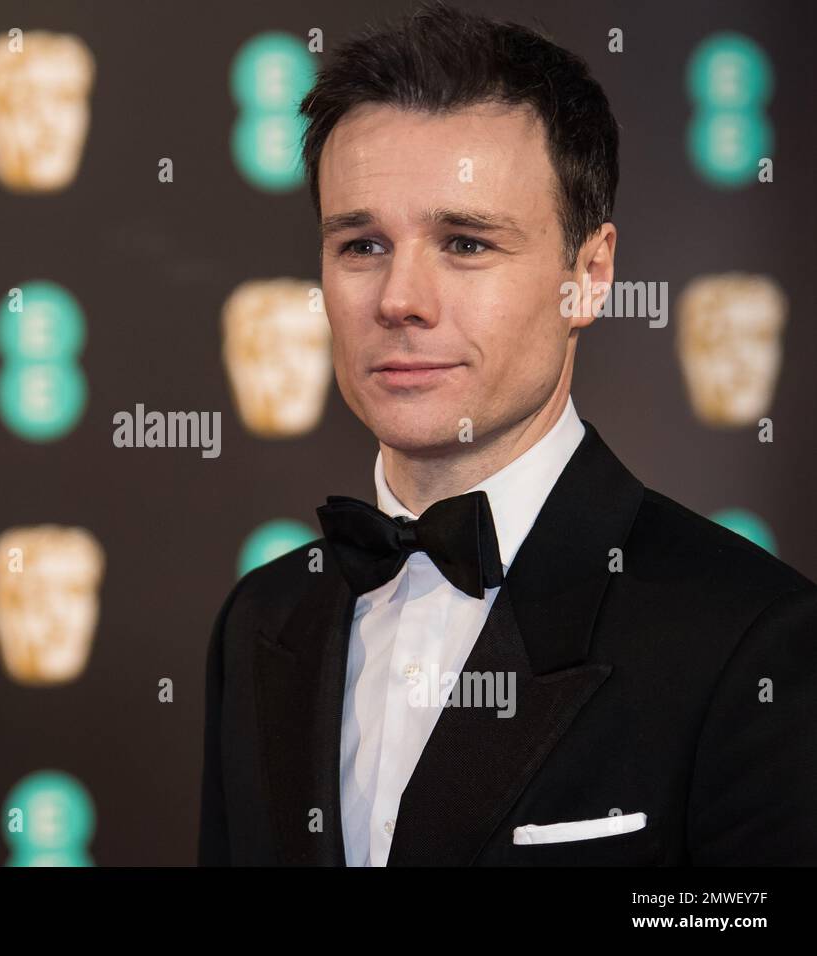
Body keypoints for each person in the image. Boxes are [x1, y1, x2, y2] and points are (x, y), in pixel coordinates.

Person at [197, 1, 817, 866]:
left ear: (589, 276)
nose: (399, 299)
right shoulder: (259, 621)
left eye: (466, 242)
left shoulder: (750, 638)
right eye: (362, 244)